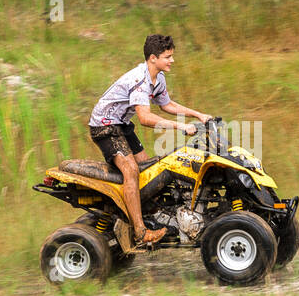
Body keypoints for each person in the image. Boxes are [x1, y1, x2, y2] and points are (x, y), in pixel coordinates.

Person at [88, 34, 211, 245]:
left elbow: (167, 105)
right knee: (131, 171)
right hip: (105, 125)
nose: (172, 60)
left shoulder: (158, 78)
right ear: (153, 58)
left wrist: (198, 115)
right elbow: (145, 118)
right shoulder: (140, 80)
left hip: (122, 124)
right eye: (167, 56)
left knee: (148, 169)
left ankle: (151, 216)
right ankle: (140, 232)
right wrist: (181, 126)